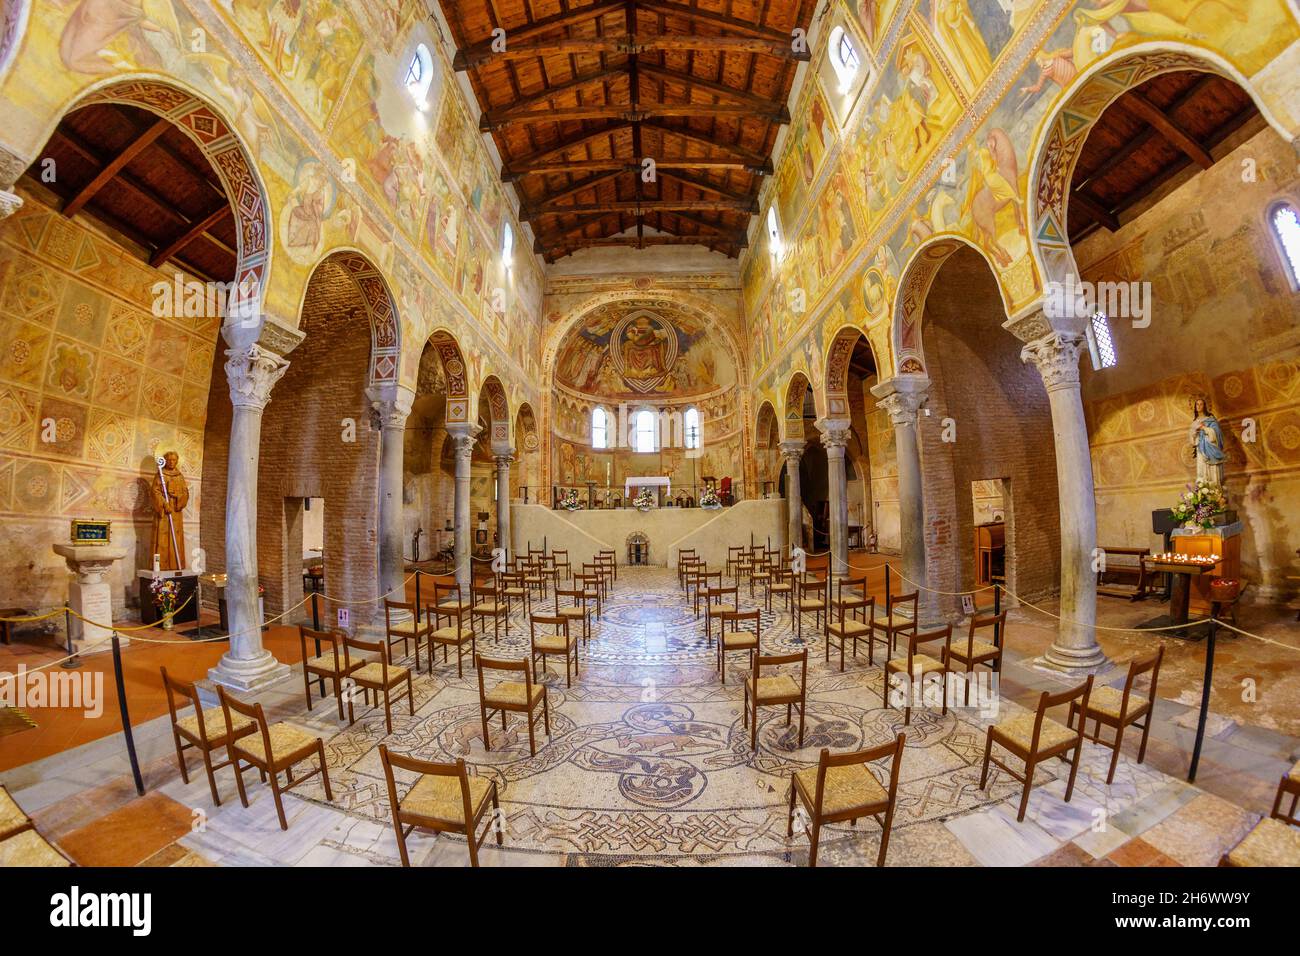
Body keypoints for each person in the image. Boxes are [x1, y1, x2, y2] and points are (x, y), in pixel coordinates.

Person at [150, 451, 188, 571]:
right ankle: (161, 566)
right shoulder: (160, 474)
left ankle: (176, 565)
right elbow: (155, 491)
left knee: (175, 537)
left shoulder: (179, 476)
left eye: (174, 460)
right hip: (164, 513)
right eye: (170, 460)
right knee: (162, 537)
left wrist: (178, 497)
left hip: (176, 512)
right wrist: (164, 504)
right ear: (165, 461)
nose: (172, 462)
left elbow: (185, 492)